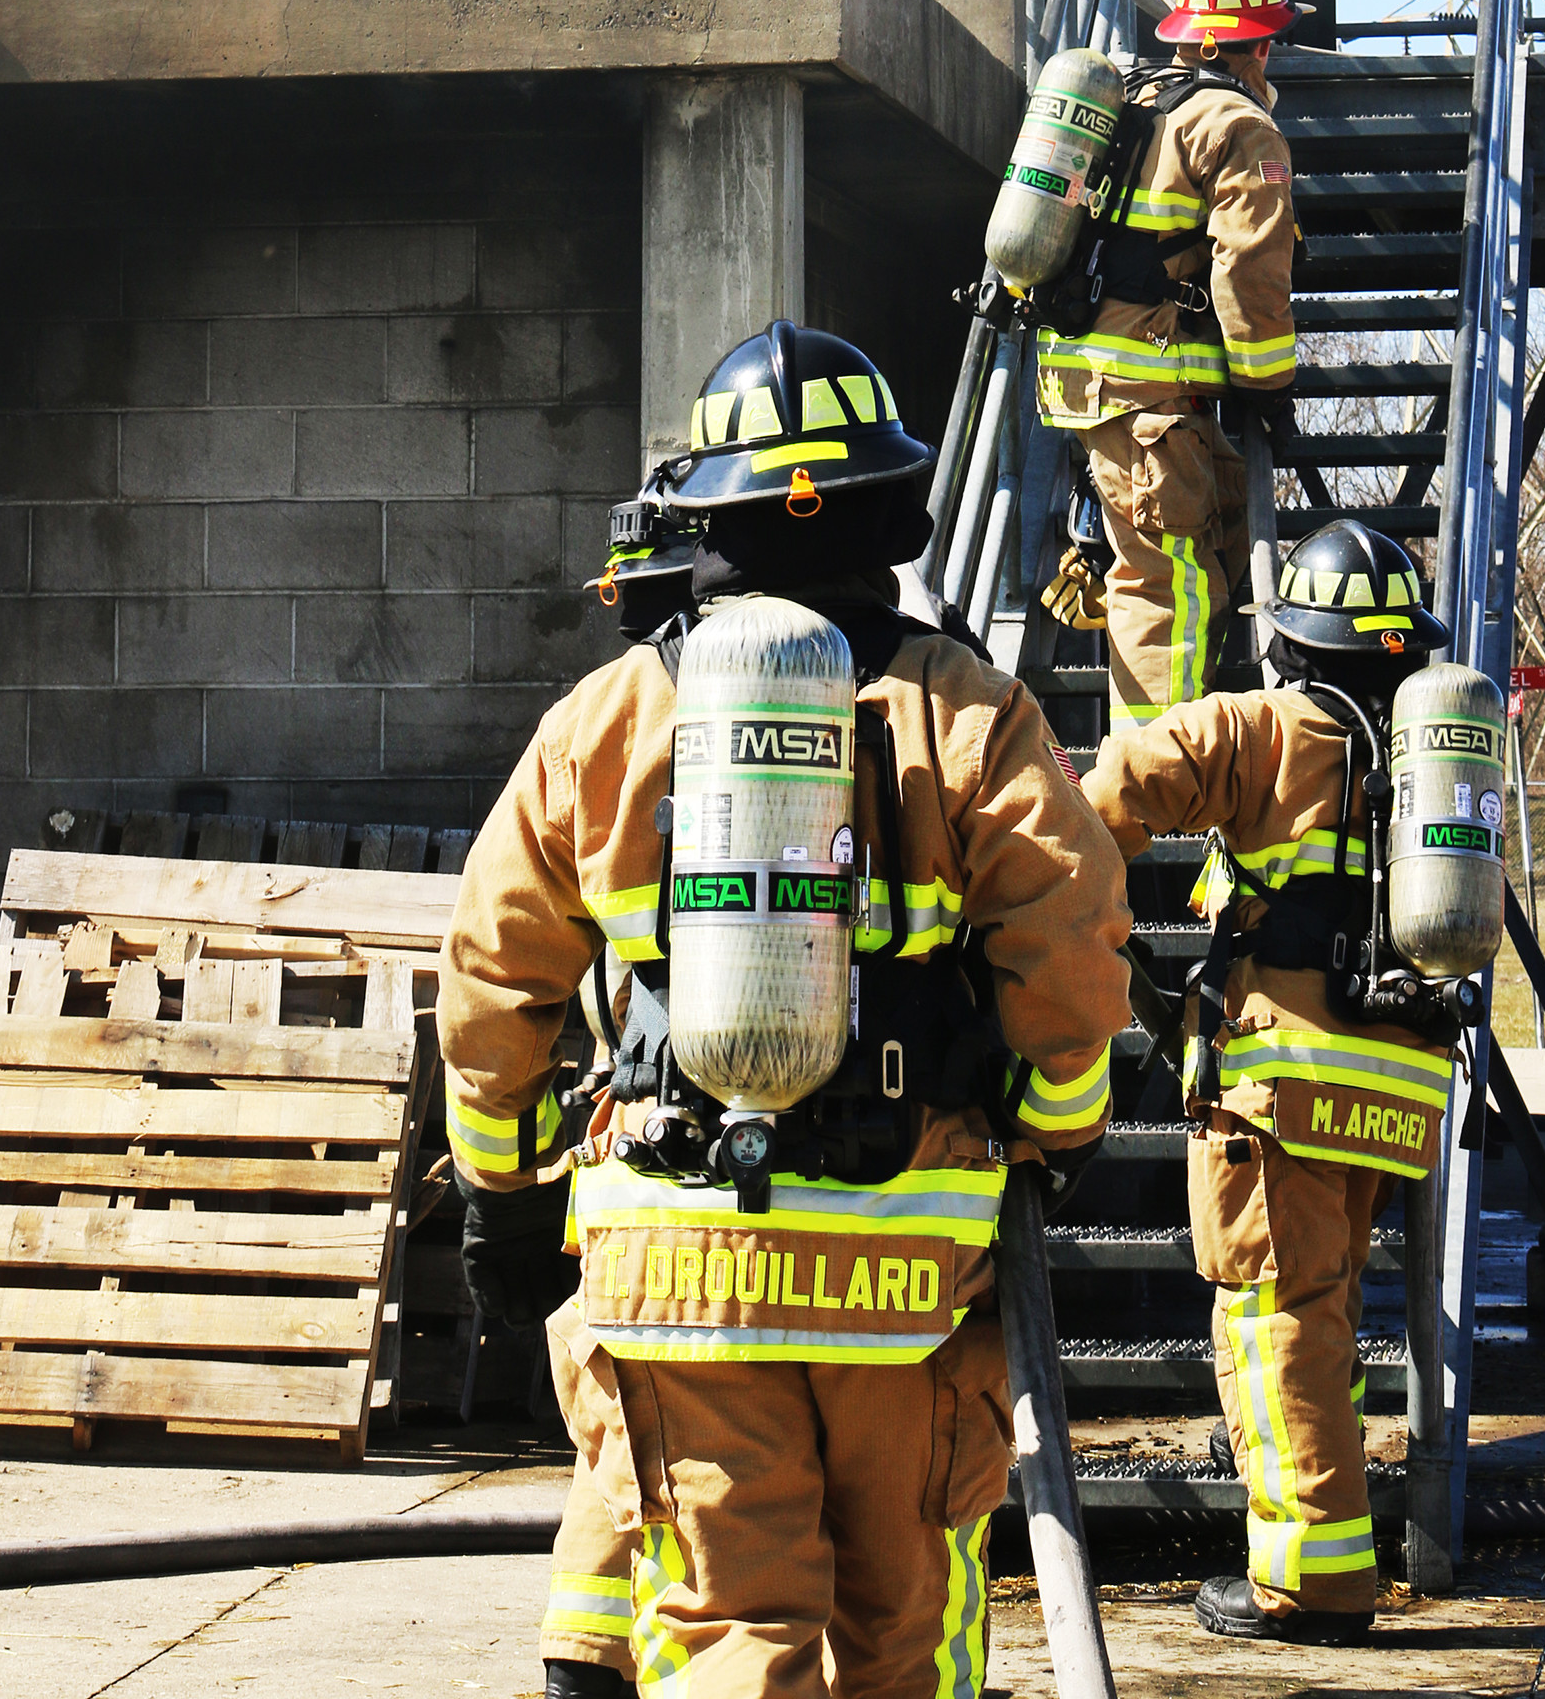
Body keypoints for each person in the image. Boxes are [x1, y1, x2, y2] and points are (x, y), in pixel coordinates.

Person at [438, 320, 1134, 1699]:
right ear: (892, 503)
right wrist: (1058, 1128)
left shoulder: (608, 715)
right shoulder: (972, 714)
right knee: (907, 1627)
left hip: (686, 1267)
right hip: (902, 1276)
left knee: (722, 1631)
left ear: (707, 514)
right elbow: (1072, 945)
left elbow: (493, 970)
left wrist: (503, 1191)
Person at [1084, 515, 1458, 1646]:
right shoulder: (1413, 755)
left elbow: (1110, 787)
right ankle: (1293, 1482)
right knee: (1320, 1307)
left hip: (1280, 1087)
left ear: (1290, 640)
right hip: (1391, 1090)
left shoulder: (1258, 729)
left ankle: (1312, 1581)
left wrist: (1083, 928)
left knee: (1275, 1317)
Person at [1036, 0, 1301, 723]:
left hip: (1091, 374)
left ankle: (1195, 752)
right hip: (1145, 389)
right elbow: (1249, 270)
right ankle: (1152, 795)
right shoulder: (1238, 125)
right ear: (1250, 49)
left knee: (1219, 526)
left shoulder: (1141, 100)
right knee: (1169, 583)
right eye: (1271, 44)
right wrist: (1268, 386)